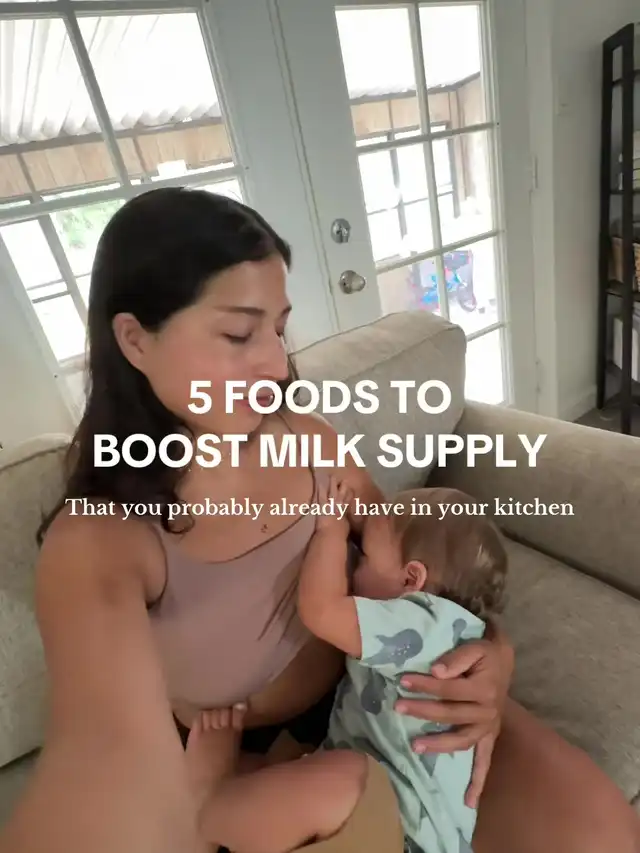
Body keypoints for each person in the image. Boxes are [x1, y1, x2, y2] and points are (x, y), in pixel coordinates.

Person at [3, 188, 638, 853]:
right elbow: (98, 752)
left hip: (383, 689)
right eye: (239, 333)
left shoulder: (305, 437)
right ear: (135, 339)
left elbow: (412, 551)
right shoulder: (99, 538)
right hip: (258, 764)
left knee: (603, 835)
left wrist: (494, 651)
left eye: (278, 329)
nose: (277, 364)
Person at [183, 481, 508, 853]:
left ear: (411, 580)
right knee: (287, 769)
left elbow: (321, 611)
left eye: (363, 556)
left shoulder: (424, 624)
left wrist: (331, 533)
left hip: (400, 838)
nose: (353, 565)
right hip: (376, 823)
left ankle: (207, 804)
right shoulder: (458, 634)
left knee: (343, 779)